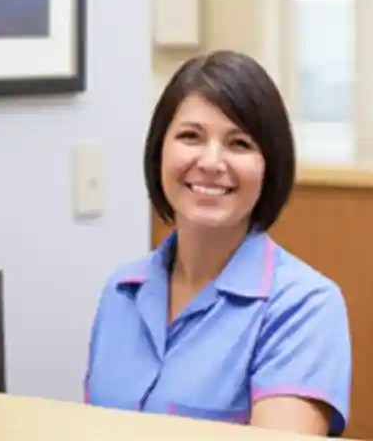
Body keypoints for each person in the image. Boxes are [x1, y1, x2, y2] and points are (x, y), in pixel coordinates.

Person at [84, 50, 352, 436]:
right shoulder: (120, 293)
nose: (211, 162)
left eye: (239, 143)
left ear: (268, 167)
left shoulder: (305, 307)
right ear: (160, 151)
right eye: (190, 137)